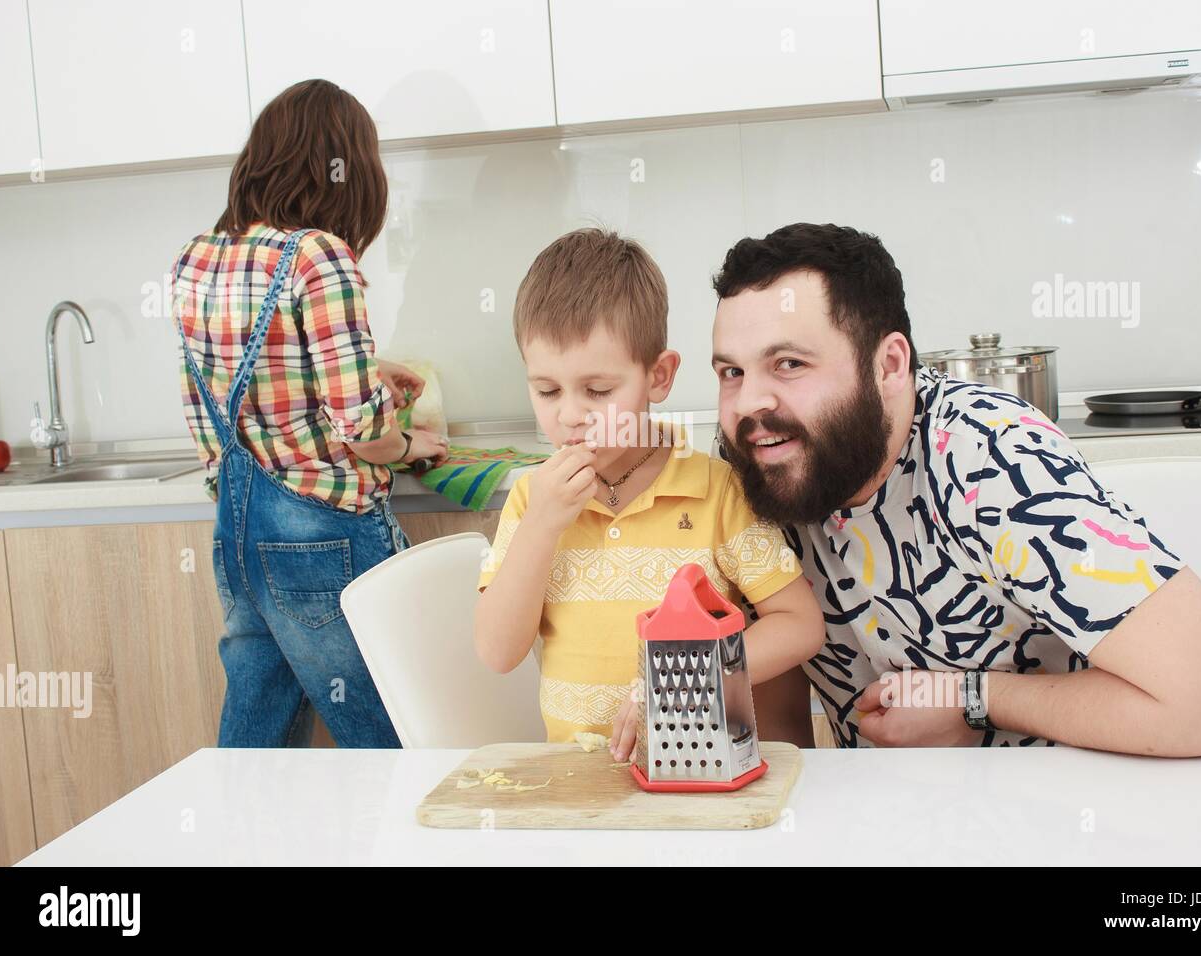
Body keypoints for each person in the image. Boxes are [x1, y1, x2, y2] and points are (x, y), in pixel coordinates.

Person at [709, 222, 1201, 754]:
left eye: (788, 363)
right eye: (731, 372)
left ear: (889, 364)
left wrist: (975, 698)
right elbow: (774, 698)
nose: (749, 402)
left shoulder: (990, 459)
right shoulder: (757, 458)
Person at [473, 227, 825, 760]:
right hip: (580, 783)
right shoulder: (532, 499)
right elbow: (498, 653)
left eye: (598, 391)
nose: (569, 415)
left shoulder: (716, 491)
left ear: (658, 377)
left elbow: (800, 626)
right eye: (546, 390)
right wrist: (541, 527)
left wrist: (687, 683)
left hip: (692, 772)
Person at [170, 79, 448, 747]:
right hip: (321, 537)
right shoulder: (321, 257)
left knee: (256, 738)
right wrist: (409, 442)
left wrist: (368, 373)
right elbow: (363, 430)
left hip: (238, 536)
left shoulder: (199, 258)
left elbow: (241, 383)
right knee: (390, 738)